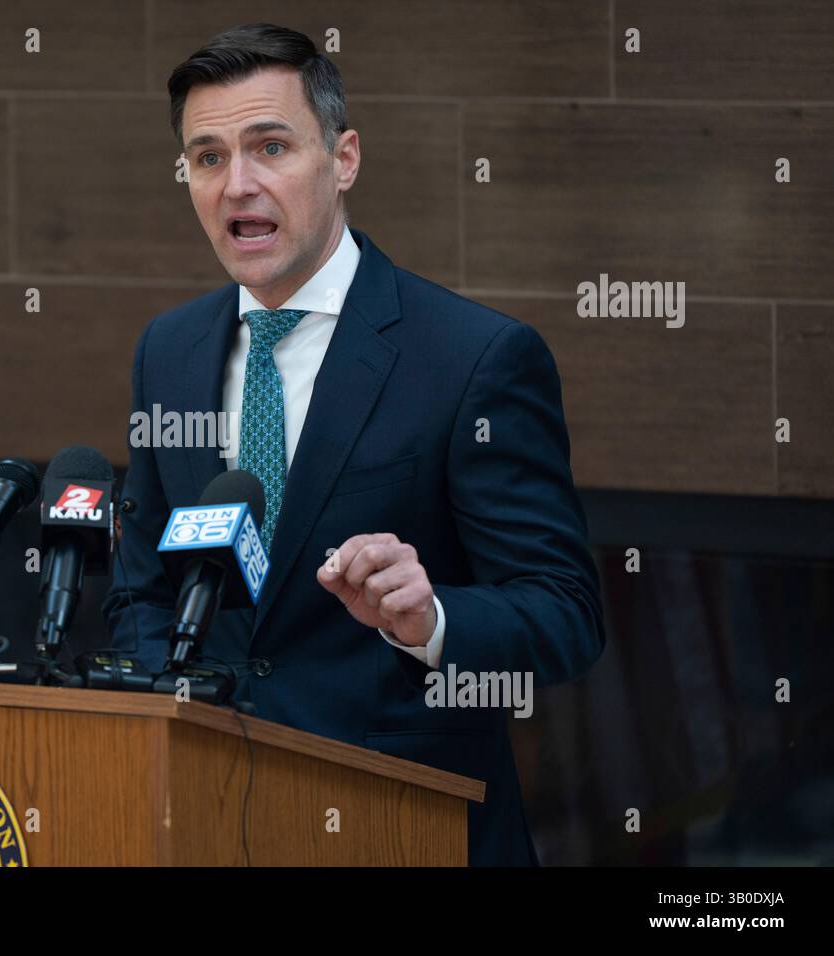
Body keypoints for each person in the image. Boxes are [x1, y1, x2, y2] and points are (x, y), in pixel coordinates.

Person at [102, 22, 604, 866]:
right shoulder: (170, 350)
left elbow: (565, 615)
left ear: (343, 160)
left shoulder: (474, 357)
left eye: (271, 146)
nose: (238, 185)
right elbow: (141, 597)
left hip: (404, 828)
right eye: (209, 157)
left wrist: (430, 620)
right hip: (205, 820)